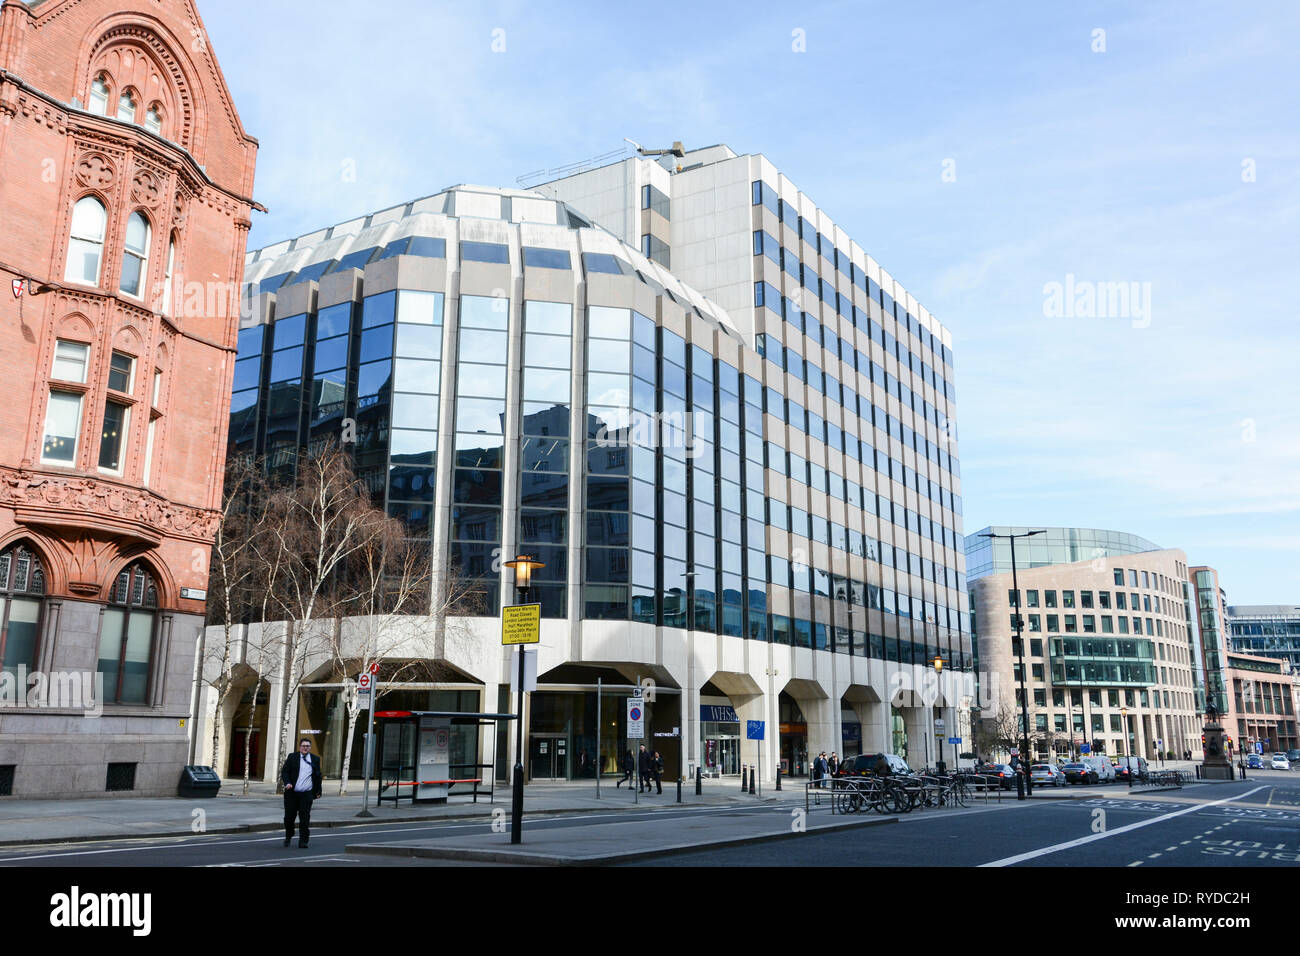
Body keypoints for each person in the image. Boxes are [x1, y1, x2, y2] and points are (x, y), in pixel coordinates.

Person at [281, 738, 322, 848]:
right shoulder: (292, 757)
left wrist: (318, 791)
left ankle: (303, 841)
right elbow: (285, 771)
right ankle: (289, 835)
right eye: (303, 746)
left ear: (310, 747)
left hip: (306, 794)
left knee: (305, 819)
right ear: (299, 747)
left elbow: (318, 776)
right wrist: (287, 782)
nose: (305, 748)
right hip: (292, 794)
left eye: (307, 746)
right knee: (289, 818)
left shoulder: (315, 759)